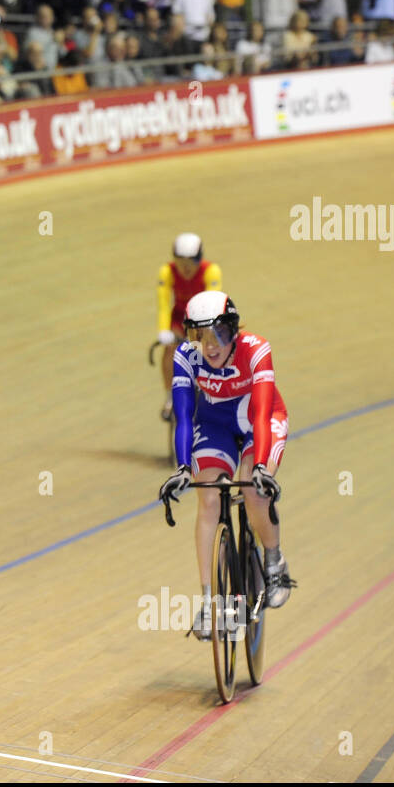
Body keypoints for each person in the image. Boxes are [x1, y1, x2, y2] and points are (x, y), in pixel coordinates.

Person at [158, 291, 294, 640]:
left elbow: (262, 413)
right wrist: (183, 468)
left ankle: (274, 561)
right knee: (208, 499)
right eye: (200, 336)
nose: (210, 345)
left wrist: (261, 465)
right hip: (216, 424)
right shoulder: (186, 357)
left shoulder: (255, 349)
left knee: (252, 488)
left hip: (257, 421)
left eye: (218, 334)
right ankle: (208, 602)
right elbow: (184, 416)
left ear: (234, 330)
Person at [156, 233, 222, 420]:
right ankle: (169, 397)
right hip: (180, 318)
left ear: (199, 260)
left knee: (209, 353)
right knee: (169, 350)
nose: (185, 267)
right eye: (180, 261)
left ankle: (212, 393)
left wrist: (205, 335)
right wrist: (163, 330)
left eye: (190, 262)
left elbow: (213, 304)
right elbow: (163, 304)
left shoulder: (211, 271)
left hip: (202, 318)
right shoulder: (167, 271)